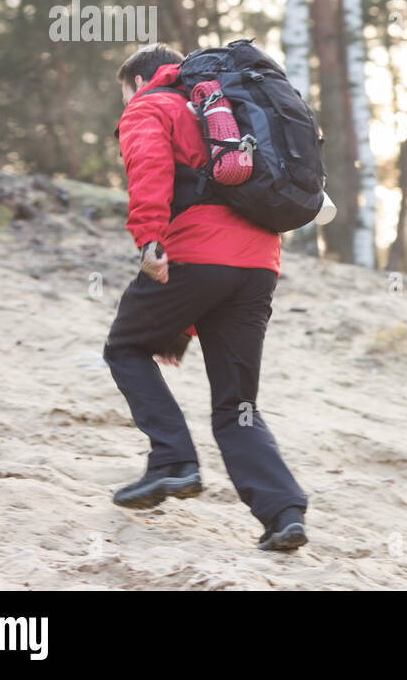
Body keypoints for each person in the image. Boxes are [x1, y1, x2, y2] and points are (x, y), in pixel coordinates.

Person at [102, 43, 308, 551]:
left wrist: (149, 240)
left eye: (126, 94)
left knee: (123, 347)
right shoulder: (226, 104)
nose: (127, 103)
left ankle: (173, 460)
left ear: (139, 81)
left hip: (196, 252)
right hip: (259, 264)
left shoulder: (151, 105)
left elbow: (150, 169)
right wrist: (184, 325)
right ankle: (283, 514)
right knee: (238, 403)